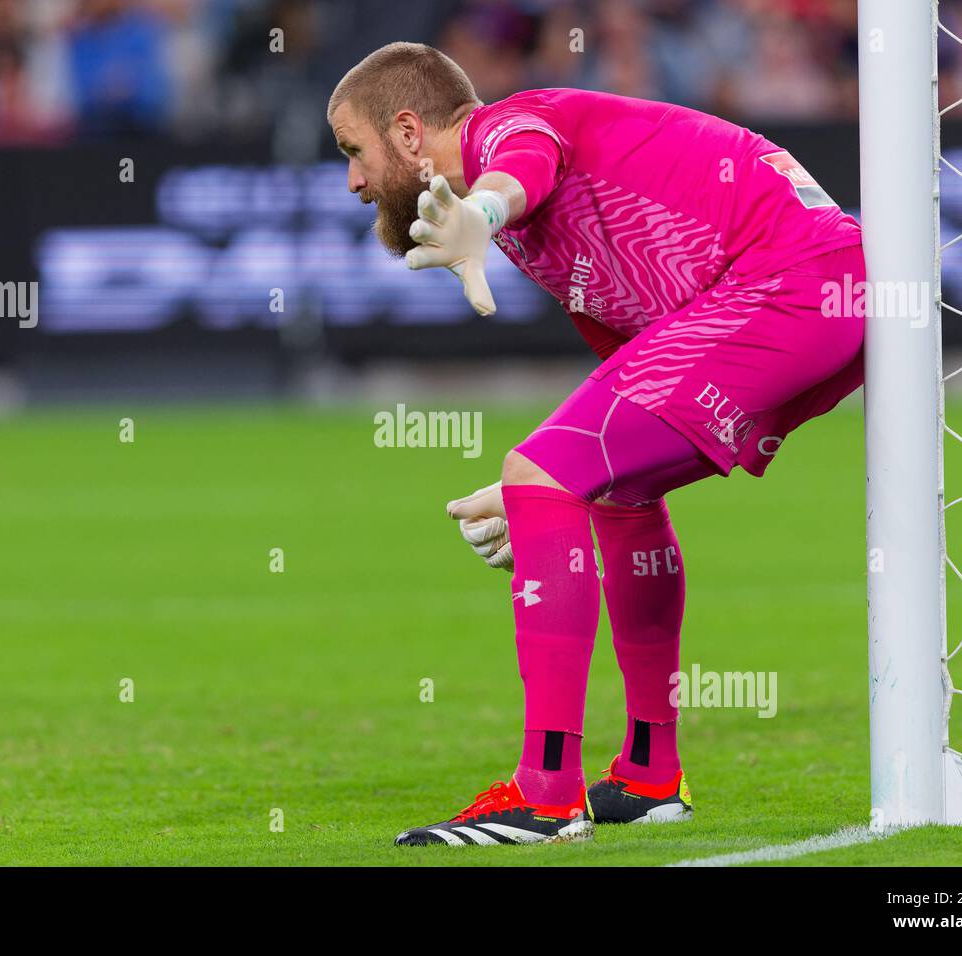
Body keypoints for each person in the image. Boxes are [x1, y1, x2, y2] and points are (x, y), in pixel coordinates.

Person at [328, 42, 864, 847]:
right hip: (810, 287)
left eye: (353, 152)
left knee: (546, 474)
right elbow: (622, 376)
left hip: (786, 282)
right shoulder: (555, 230)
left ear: (408, 133)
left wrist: (482, 213)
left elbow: (523, 165)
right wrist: (548, 508)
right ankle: (650, 775)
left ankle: (545, 794)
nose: (354, 182)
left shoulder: (507, 130)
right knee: (613, 492)